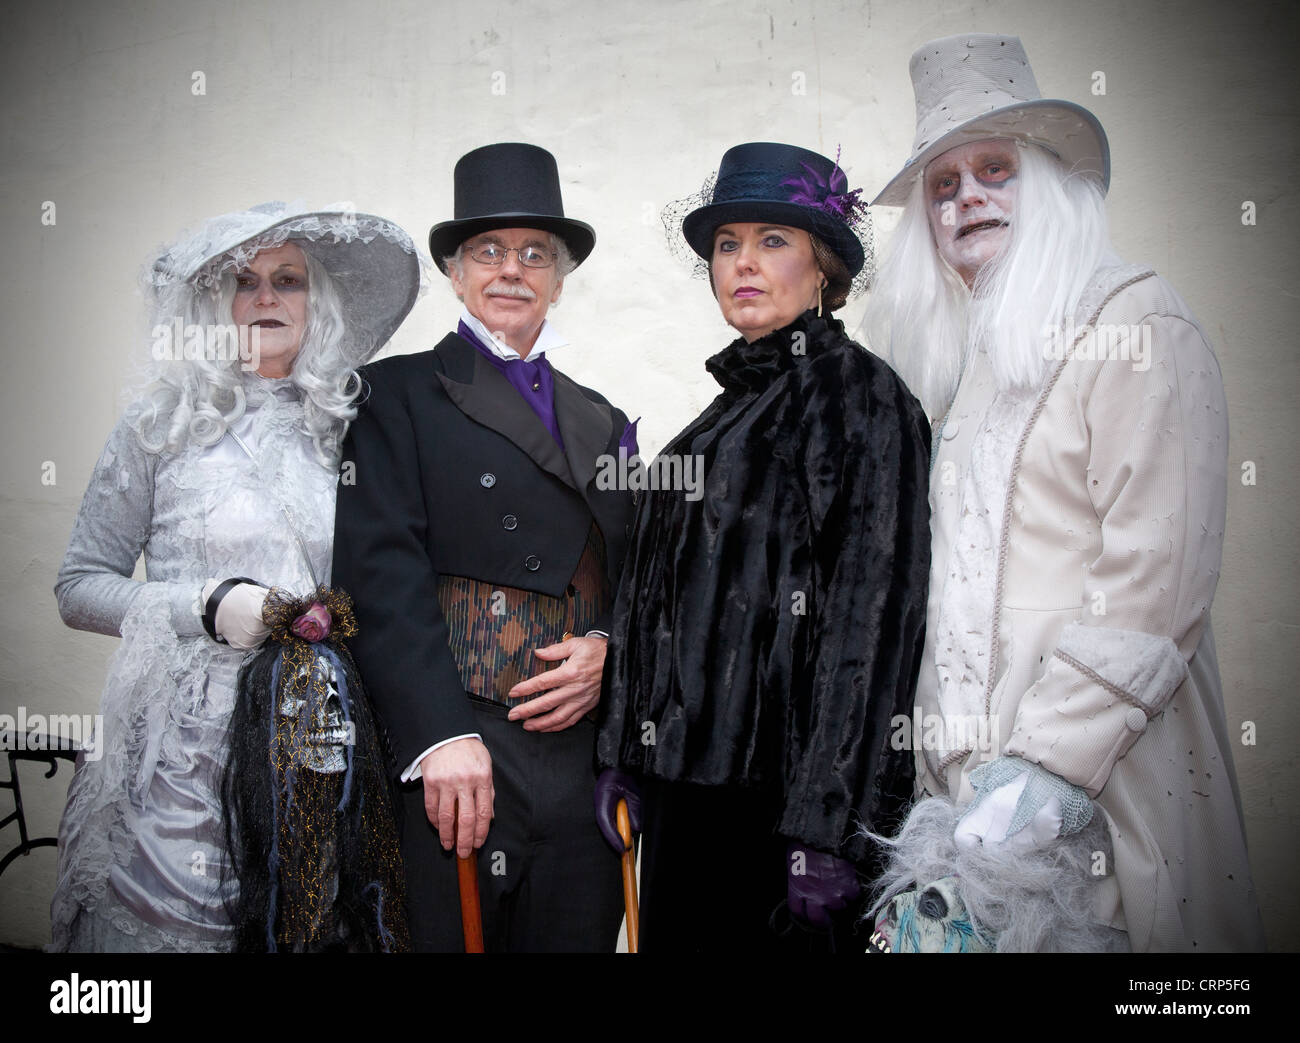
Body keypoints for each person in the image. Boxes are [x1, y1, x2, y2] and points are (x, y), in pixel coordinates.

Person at [864, 33, 1266, 951]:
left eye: (994, 169)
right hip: (971, 815)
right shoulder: (961, 374)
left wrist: (1045, 769)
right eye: (943, 182)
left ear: (1043, 182)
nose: (967, 196)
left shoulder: (1137, 318)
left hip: (1111, 788)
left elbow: (1154, 587)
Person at [50, 202, 421, 952]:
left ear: (317, 301)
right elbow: (79, 585)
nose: (265, 300)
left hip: (315, 740)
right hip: (180, 756)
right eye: (243, 282)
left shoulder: (351, 427)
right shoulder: (160, 425)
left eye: (287, 280)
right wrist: (204, 605)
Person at [595, 142, 931, 952]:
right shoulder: (715, 421)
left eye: (773, 241)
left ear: (824, 270)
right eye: (726, 244)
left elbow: (872, 619)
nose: (743, 262)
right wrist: (623, 757)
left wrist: (831, 829)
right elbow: (651, 603)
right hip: (684, 809)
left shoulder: (856, 393)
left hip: (778, 824)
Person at [333, 143, 637, 952]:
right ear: (456, 271)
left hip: (578, 760)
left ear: (560, 277)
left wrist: (610, 645)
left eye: (535, 253)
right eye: (488, 251)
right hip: (460, 751)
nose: (512, 269)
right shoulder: (392, 395)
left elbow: (642, 574)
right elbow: (379, 572)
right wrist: (438, 735)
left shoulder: (605, 419)